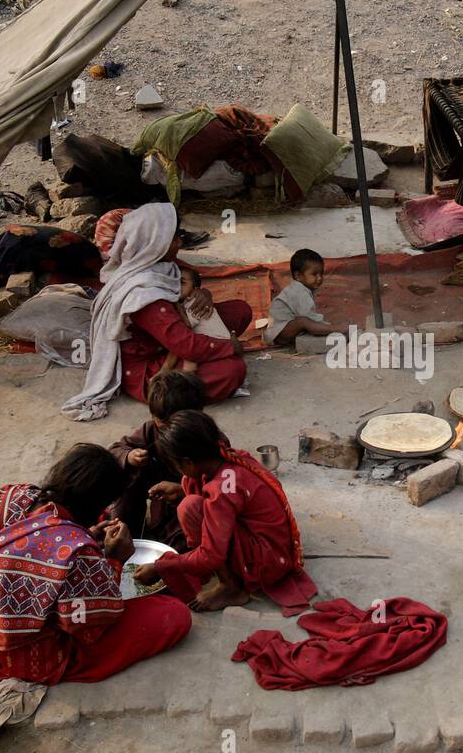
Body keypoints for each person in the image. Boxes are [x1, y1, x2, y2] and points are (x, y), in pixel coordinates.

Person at [0, 444, 192, 687]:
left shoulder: (9, 494)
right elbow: (87, 625)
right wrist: (115, 560)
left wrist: (86, 533)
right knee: (173, 614)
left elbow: (21, 542)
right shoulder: (74, 548)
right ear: (97, 504)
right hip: (18, 651)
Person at [62, 203, 250, 421]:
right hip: (149, 366)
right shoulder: (143, 294)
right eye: (173, 238)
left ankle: (206, 355)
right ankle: (169, 391)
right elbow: (186, 345)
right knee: (232, 371)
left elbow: (188, 286)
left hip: (170, 336)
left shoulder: (162, 263)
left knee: (240, 311)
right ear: (154, 241)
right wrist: (230, 346)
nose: (180, 243)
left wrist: (203, 293)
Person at [132, 410, 317, 613]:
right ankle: (229, 578)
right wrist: (180, 490)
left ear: (187, 462)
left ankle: (231, 587)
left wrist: (161, 566)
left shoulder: (222, 490)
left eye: (177, 465)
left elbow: (210, 556)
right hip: (274, 546)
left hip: (268, 561)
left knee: (189, 508)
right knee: (190, 500)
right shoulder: (228, 458)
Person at [108, 370, 215, 546]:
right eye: (162, 422)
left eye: (174, 423)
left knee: (184, 539)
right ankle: (122, 532)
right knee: (126, 477)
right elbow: (115, 450)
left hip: (188, 502)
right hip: (158, 493)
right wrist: (130, 456)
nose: (167, 430)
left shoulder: (208, 438)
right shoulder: (151, 431)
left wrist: (183, 489)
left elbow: (220, 488)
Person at [265, 248, 349, 346]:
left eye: (321, 273)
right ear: (298, 276)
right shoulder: (298, 291)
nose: (319, 278)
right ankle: (336, 329)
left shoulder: (302, 288)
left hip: (284, 331)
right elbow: (310, 318)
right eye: (314, 274)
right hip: (278, 334)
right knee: (303, 321)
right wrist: (333, 327)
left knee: (305, 322)